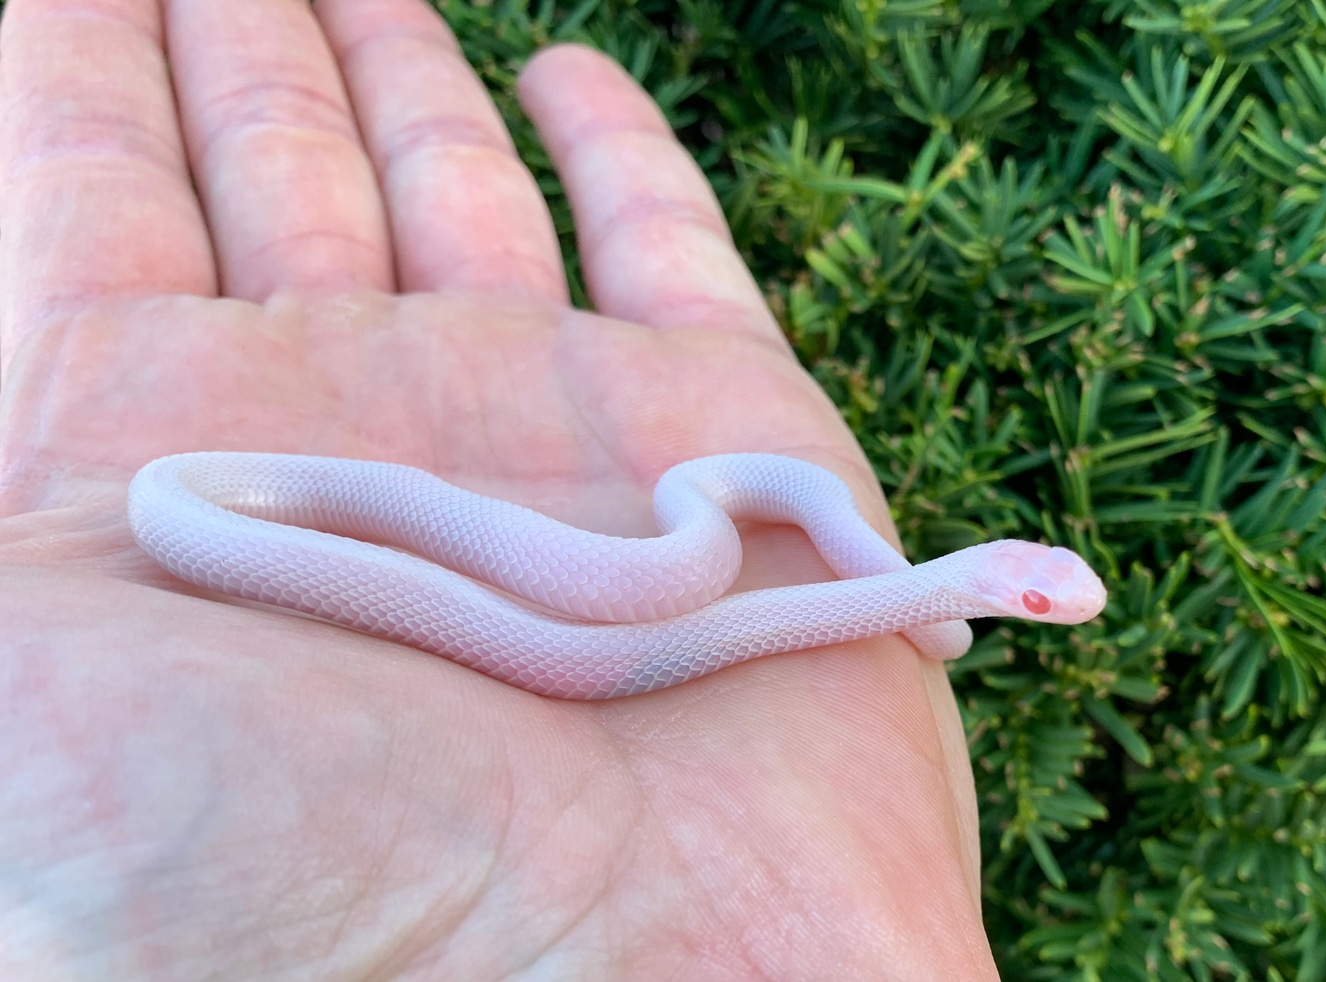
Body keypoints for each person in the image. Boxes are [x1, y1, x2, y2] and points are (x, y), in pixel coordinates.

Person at [0, 1, 1000, 977]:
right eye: (1024, 595)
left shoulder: (768, 547)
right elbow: (939, 629)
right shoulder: (748, 540)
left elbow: (938, 626)